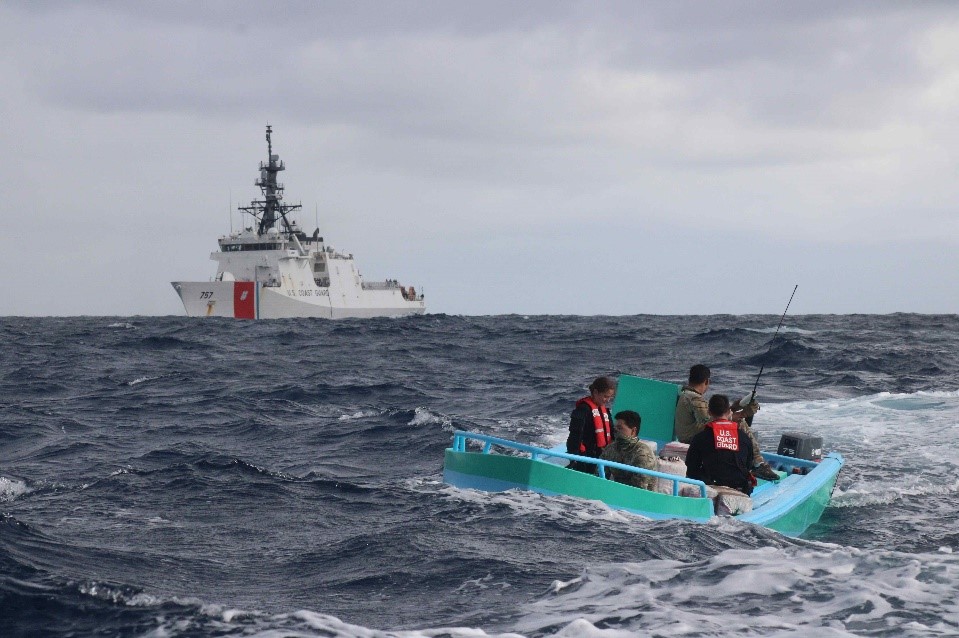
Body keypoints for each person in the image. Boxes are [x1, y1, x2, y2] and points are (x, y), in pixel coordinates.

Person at [674, 364, 779, 481]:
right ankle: (758, 464)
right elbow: (713, 421)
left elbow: (715, 415)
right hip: (690, 438)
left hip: (690, 434)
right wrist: (742, 414)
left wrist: (734, 407)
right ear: (707, 381)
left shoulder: (687, 394)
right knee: (740, 422)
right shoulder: (694, 398)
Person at [685, 394, 756, 495]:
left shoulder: (700, 438)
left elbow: (691, 468)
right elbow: (748, 465)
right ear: (729, 412)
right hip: (740, 488)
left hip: (711, 489)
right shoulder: (744, 437)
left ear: (709, 412)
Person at [566, 376, 617, 473]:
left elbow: (611, 431)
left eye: (610, 397)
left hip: (602, 455)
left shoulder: (604, 411)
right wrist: (574, 458)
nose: (608, 400)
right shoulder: (583, 410)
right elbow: (574, 435)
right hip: (586, 457)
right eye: (605, 396)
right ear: (596, 392)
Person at [600, 410, 656, 491]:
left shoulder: (643, 454)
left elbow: (639, 489)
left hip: (640, 496)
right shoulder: (611, 449)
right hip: (617, 493)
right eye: (615, 428)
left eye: (620, 428)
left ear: (633, 431)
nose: (615, 431)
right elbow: (600, 476)